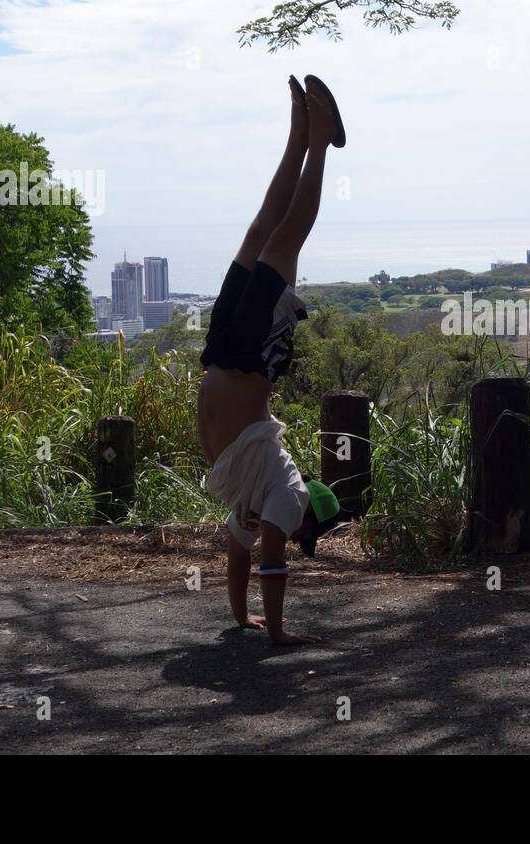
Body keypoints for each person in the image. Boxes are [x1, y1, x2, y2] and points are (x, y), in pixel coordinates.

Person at [196, 73, 346, 646]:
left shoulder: (251, 505)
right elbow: (271, 563)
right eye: (305, 532)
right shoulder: (285, 495)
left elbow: (240, 557)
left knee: (262, 231)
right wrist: (278, 632)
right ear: (308, 513)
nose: (290, 535)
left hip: (223, 358)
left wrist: (240, 619)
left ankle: (300, 134)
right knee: (284, 242)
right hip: (247, 362)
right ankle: (319, 139)